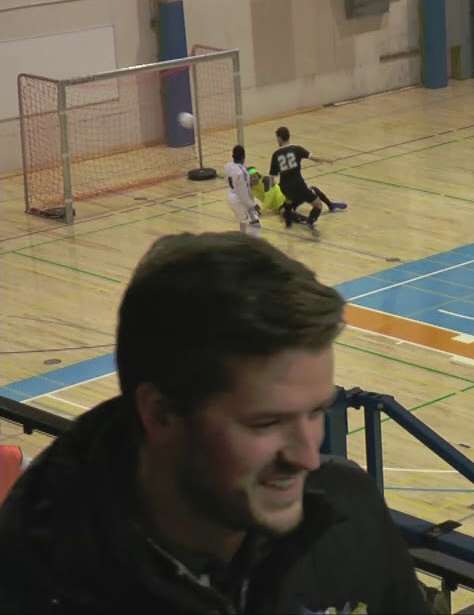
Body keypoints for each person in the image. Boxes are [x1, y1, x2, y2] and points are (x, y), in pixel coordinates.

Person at [0, 232, 432, 613]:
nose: (307, 457)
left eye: (317, 411)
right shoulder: (30, 587)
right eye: (266, 423)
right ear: (161, 414)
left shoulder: (346, 509)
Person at [270, 126, 334, 232]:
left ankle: (288, 225)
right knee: (318, 205)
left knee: (288, 202)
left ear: (280, 138)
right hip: (298, 184)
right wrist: (326, 160)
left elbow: (272, 178)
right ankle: (310, 222)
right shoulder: (297, 149)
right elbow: (314, 158)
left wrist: (275, 189)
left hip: (285, 186)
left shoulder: (276, 154)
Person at [225, 144, 260, 237]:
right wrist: (252, 204)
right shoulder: (242, 173)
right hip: (239, 200)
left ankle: (243, 239)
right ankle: (247, 242)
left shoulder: (228, 166)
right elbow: (243, 193)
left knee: (245, 221)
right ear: (244, 157)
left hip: (231, 196)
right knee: (254, 224)